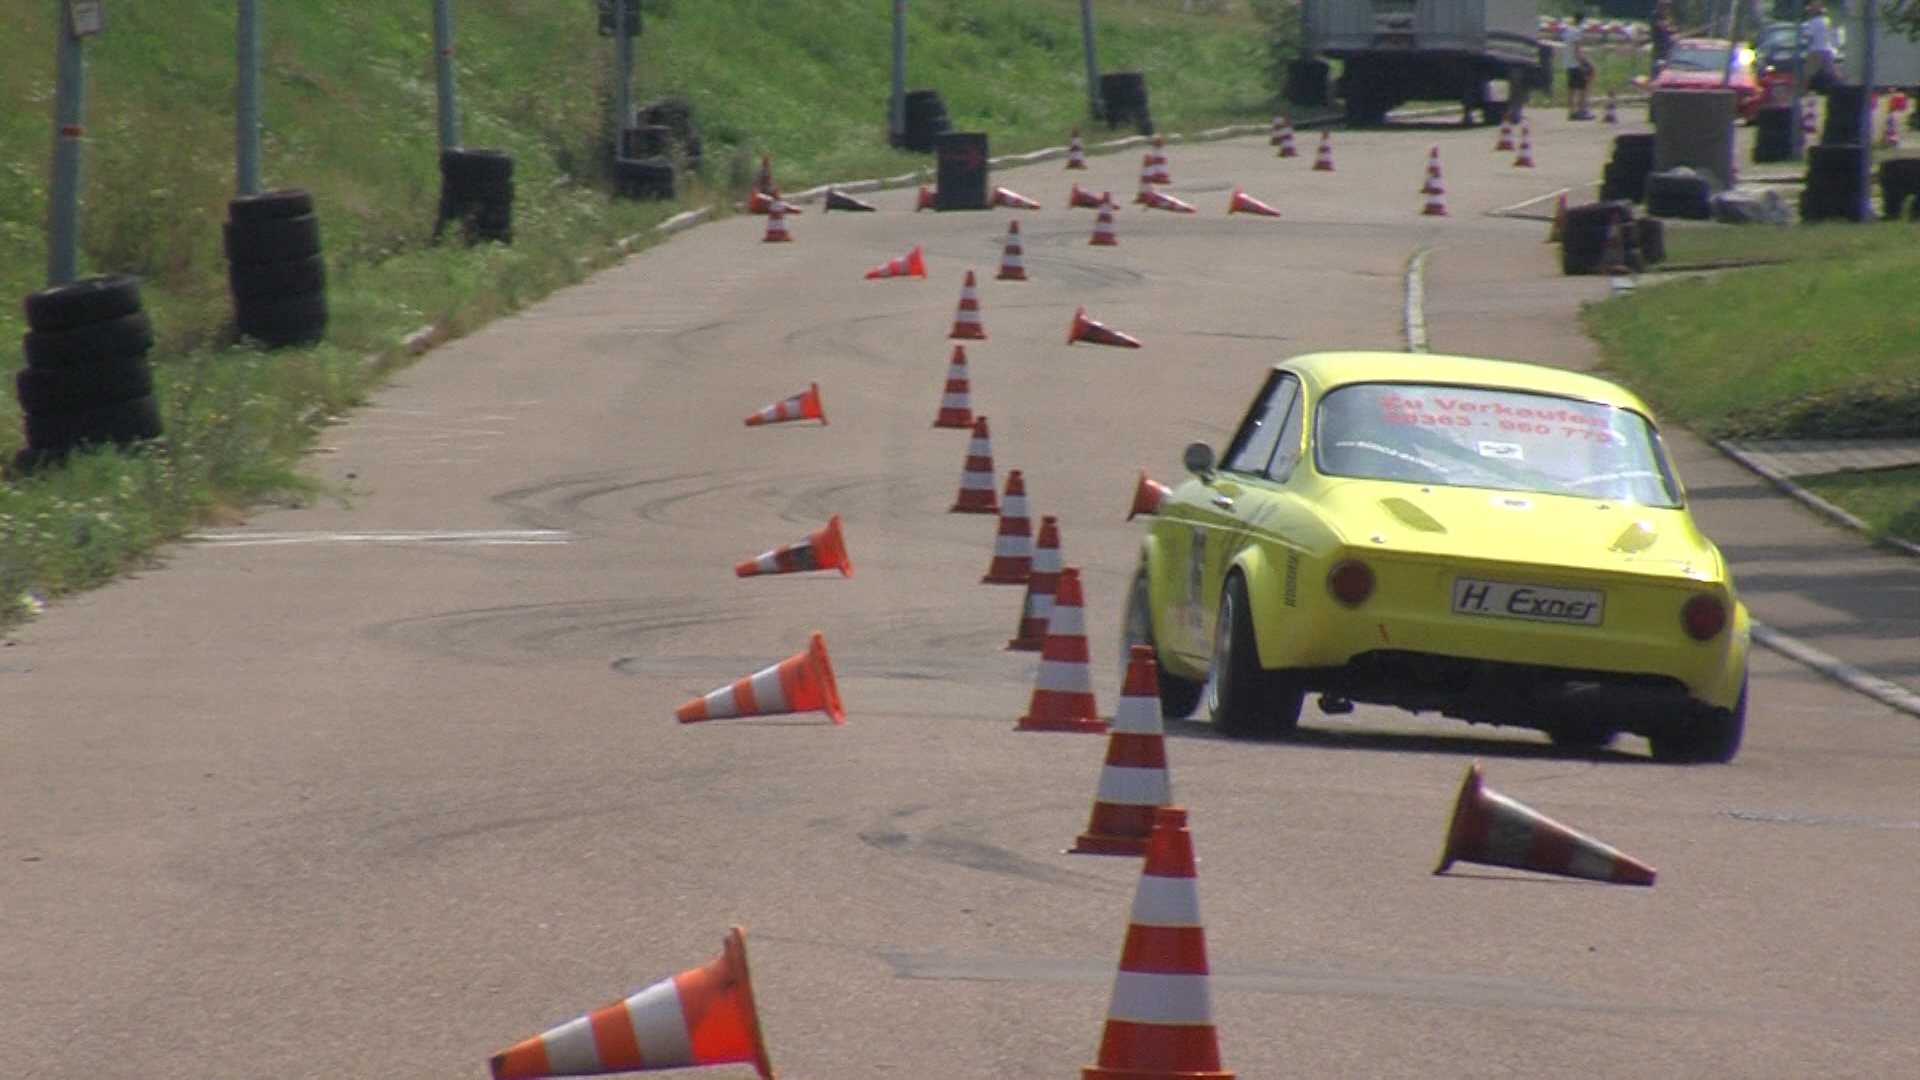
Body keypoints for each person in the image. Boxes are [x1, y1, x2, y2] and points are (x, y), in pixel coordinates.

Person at [1562, 12, 1595, 119]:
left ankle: (1571, 111)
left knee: (1571, 88)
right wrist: (1584, 62)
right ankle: (1581, 110)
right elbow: (1577, 49)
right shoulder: (1577, 32)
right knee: (1582, 88)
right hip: (1576, 63)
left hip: (1568, 62)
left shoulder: (1568, 30)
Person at [1801, 0, 1839, 94]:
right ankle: (1836, 93)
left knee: (1807, 76)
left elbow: (1808, 36)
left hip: (1816, 51)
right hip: (1828, 51)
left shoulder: (1813, 22)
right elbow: (1834, 36)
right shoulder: (1827, 21)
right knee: (1832, 75)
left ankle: (1803, 94)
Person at [1649, 0, 1676, 75]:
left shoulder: (1667, 16)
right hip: (1659, 46)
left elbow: (1671, 28)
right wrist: (1669, 29)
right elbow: (1662, 27)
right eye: (1664, 6)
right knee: (1657, 65)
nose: (1666, 8)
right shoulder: (1655, 15)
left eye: (1667, 6)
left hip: (1668, 46)